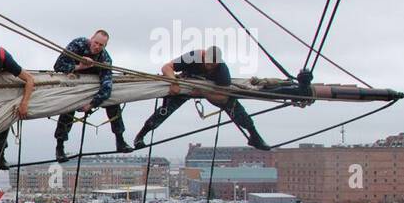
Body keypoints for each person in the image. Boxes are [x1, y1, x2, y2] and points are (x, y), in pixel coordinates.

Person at [133, 46, 270, 150]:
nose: (209, 67)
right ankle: (141, 135)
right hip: (186, 83)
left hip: (206, 89)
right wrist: (174, 83)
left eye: (213, 65)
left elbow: (222, 97)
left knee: (234, 106)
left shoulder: (222, 70)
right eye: (208, 64)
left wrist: (202, 92)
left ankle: (254, 136)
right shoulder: (194, 56)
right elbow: (167, 67)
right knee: (165, 110)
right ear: (204, 56)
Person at [53, 30, 132, 162]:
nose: (97, 47)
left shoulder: (105, 59)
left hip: (93, 85)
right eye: (96, 43)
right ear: (91, 39)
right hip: (74, 82)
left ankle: (120, 140)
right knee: (68, 108)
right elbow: (58, 66)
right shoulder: (77, 45)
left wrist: (91, 104)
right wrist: (80, 66)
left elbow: (107, 86)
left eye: (101, 45)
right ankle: (60, 147)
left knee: (113, 103)